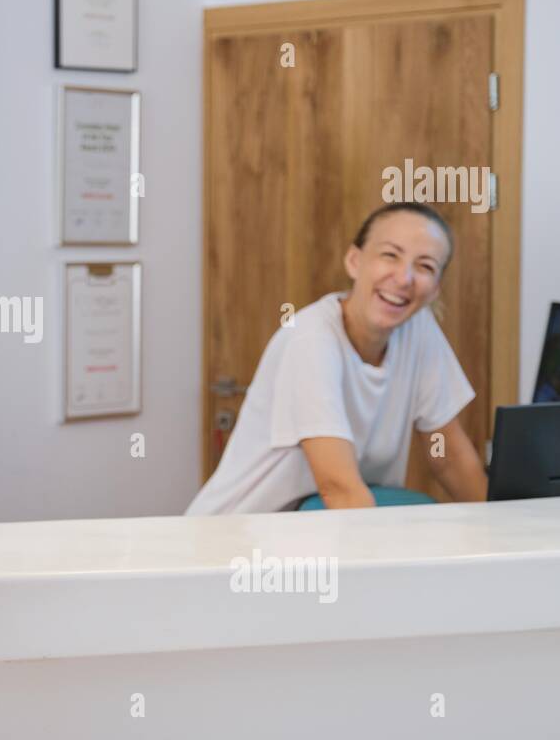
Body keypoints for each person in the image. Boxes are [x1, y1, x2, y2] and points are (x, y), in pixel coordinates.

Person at [186, 202, 488, 516]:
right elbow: (340, 490)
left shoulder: (418, 330)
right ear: (355, 261)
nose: (404, 278)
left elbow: (449, 458)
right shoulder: (311, 339)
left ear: (436, 288)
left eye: (425, 266)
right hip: (236, 540)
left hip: (311, 531)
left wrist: (503, 533)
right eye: (390, 255)